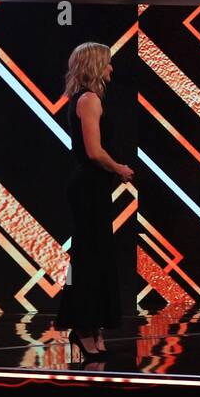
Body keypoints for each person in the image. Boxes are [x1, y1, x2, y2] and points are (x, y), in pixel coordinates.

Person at [55, 42, 135, 361]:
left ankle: (92, 328)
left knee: (98, 257)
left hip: (94, 187)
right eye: (108, 63)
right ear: (95, 65)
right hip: (88, 187)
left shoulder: (91, 99)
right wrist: (120, 169)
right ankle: (84, 329)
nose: (112, 69)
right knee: (89, 259)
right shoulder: (88, 100)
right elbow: (93, 151)